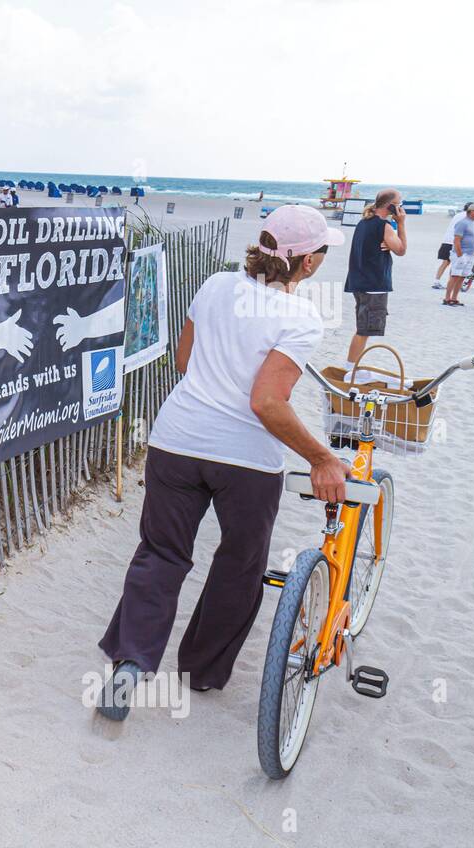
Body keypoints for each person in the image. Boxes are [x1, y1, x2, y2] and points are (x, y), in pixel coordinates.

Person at [96, 204, 349, 720]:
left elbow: (185, 361)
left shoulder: (215, 284)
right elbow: (266, 404)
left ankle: (131, 663)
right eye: (322, 252)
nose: (323, 260)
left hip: (177, 441)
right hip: (247, 461)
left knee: (161, 554)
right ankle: (202, 670)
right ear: (307, 263)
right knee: (240, 563)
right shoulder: (301, 316)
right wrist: (321, 458)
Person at [344, 188, 406, 365]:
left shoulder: (364, 222)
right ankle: (350, 368)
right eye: (399, 203)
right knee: (364, 331)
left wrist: (388, 241)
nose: (401, 207)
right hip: (374, 285)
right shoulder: (383, 226)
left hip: (360, 282)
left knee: (363, 329)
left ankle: (351, 366)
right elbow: (401, 250)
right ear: (391, 206)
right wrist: (401, 224)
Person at [444, 202, 474, 306]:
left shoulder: (473, 223)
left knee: (462, 277)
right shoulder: (463, 223)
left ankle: (454, 298)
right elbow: (457, 240)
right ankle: (447, 298)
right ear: (471, 212)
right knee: (455, 276)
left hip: (470, 254)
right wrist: (460, 255)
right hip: (461, 254)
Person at [433, 202, 472, 289]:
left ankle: (436, 281)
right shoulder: (467, 217)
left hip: (446, 240)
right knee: (455, 264)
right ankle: (450, 284)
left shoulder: (458, 215)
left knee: (445, 263)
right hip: (455, 242)